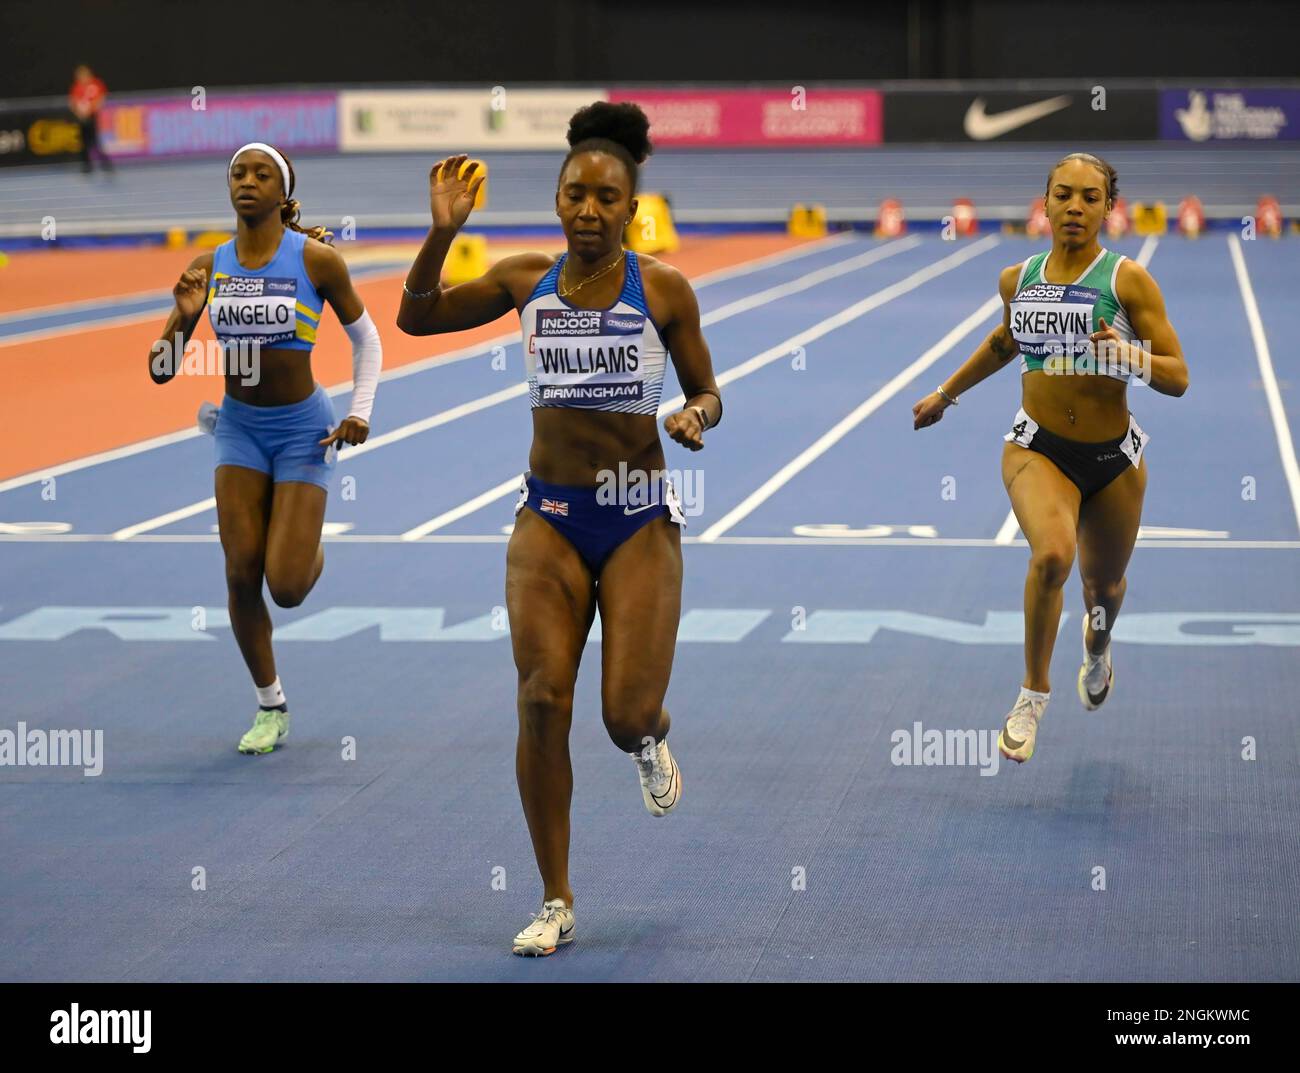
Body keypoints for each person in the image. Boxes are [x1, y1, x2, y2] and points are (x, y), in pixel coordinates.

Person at [396, 102, 722, 955]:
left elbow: (708, 392)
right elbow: (416, 317)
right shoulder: (522, 281)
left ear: (631, 209)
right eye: (575, 193)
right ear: (556, 198)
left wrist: (694, 416)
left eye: (606, 198)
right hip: (549, 515)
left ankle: (650, 736)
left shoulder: (665, 291)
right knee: (541, 699)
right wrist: (438, 233)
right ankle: (555, 896)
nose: (589, 209)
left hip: (638, 514)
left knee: (624, 713)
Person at [913, 152, 1188, 764]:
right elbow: (1003, 342)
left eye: (1090, 197)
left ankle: (1096, 648)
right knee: (1052, 556)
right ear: (1045, 201)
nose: (1074, 207)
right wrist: (945, 394)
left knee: (1104, 587)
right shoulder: (1019, 278)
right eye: (1063, 194)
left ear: (1108, 208)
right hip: (1037, 446)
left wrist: (1129, 355)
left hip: (1113, 457)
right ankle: (1032, 695)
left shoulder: (1127, 282)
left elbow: (1178, 377)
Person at [148, 142, 382, 754]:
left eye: (261, 174)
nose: (246, 182)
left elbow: (369, 341)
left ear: (283, 192)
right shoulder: (209, 264)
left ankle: (303, 546)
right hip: (239, 430)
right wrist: (181, 318)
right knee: (239, 570)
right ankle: (270, 704)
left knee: (287, 585)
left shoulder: (318, 260)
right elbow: (161, 370)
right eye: (237, 173)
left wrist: (360, 412)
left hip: (304, 429)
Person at [68, 65, 112, 174]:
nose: (80, 77)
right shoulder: (77, 87)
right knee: (83, 142)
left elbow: (101, 98)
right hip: (81, 117)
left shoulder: (96, 83)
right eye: (78, 75)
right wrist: (79, 113)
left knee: (95, 142)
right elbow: (72, 101)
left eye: (82, 74)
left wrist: (91, 110)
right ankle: (87, 166)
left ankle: (105, 164)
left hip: (92, 116)